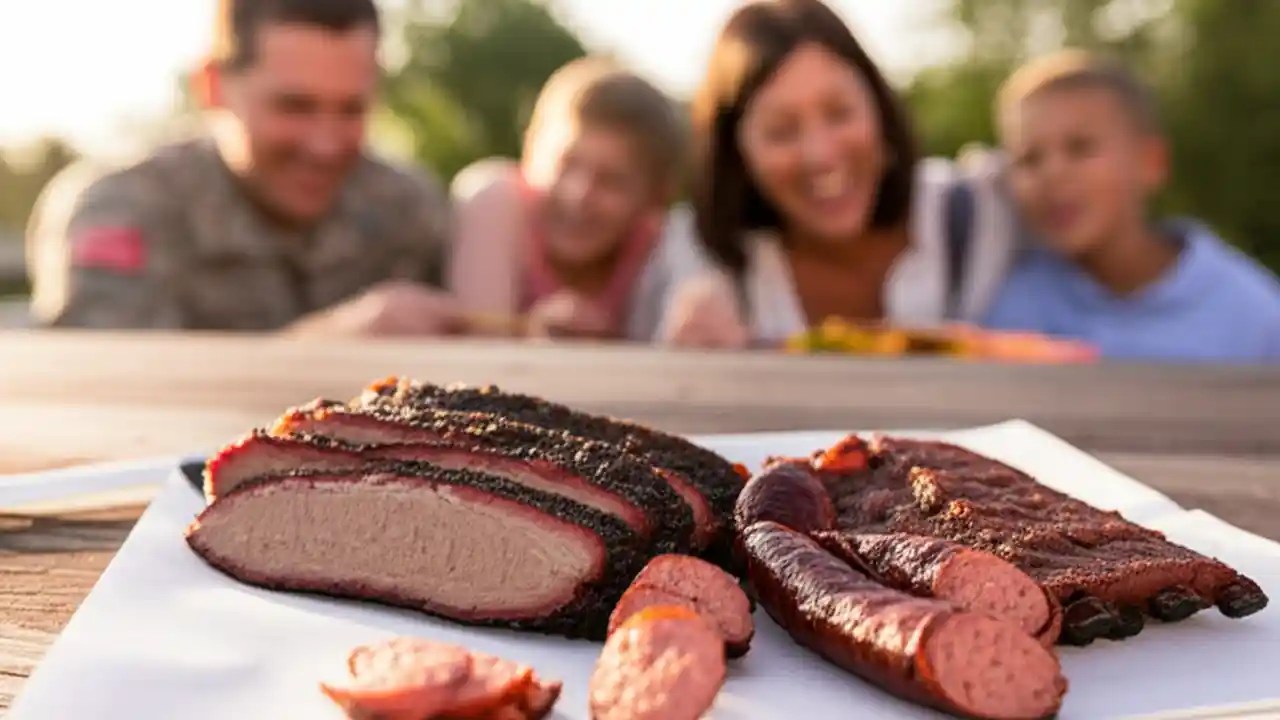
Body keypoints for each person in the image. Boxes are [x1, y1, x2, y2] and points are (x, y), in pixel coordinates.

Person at [26, 0, 458, 335]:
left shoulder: (407, 205)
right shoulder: (122, 207)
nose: (325, 145)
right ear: (214, 87)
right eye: (295, 106)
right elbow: (103, 385)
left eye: (351, 109)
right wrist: (324, 348)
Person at [658, 0, 1022, 348]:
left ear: (879, 109)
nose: (820, 155)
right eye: (781, 131)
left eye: (839, 113)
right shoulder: (704, 256)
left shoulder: (982, 211)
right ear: (737, 153)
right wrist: (694, 346)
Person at [982, 50, 1280, 362]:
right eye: (1029, 159)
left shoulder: (1255, 319)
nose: (1053, 174)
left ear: (1151, 162)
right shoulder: (1005, 304)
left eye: (1081, 148)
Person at [448, 57, 696, 341]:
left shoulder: (662, 240)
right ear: (530, 152)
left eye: (612, 181)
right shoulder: (494, 202)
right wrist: (528, 329)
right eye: (565, 164)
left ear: (653, 199)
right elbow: (483, 342)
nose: (579, 195)